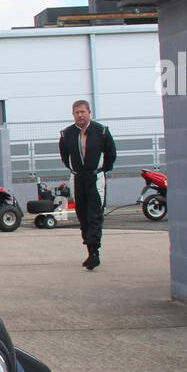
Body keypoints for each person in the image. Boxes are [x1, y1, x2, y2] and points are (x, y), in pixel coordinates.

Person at [58, 100, 116, 270]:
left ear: (89, 112)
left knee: (94, 214)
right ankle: (90, 248)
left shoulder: (101, 131)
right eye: (77, 112)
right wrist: (74, 169)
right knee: (82, 214)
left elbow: (111, 153)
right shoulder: (66, 134)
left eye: (83, 111)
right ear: (73, 114)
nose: (80, 115)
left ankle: (94, 251)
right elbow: (64, 156)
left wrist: (102, 169)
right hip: (77, 178)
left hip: (96, 177)